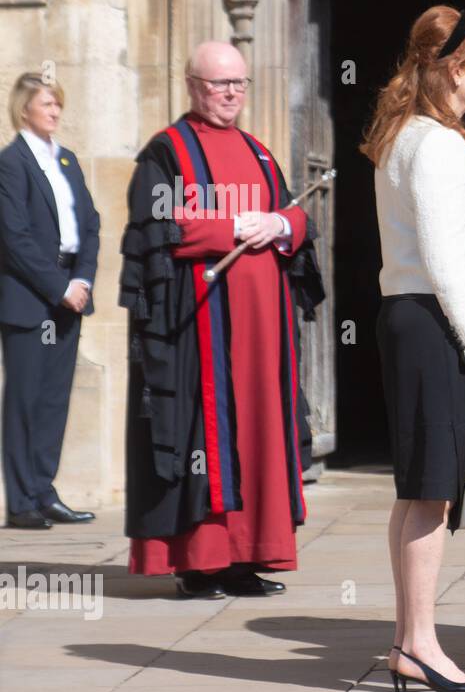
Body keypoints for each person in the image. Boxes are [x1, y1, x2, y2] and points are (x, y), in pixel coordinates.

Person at [120, 41, 325, 599]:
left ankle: (245, 559)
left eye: (239, 83)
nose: (231, 93)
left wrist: (281, 226)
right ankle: (200, 563)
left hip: (262, 336)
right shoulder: (167, 152)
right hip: (198, 331)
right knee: (201, 441)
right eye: (219, 84)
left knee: (258, 436)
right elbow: (156, 227)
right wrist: (236, 226)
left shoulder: (259, 152)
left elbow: (293, 214)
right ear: (193, 85)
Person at [363, 6, 465, 692]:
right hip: (436, 322)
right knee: (431, 496)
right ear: (454, 69)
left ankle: (407, 642)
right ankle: (419, 645)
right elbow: (450, 264)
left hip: (412, 318)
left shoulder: (407, 134)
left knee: (421, 492)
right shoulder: (438, 146)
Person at [0, 73, 100, 529]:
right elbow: (14, 238)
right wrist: (57, 287)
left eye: (58, 104)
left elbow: (91, 224)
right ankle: (21, 501)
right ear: (24, 110)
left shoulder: (67, 160)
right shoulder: (11, 163)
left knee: (55, 398)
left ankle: (44, 490)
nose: (56, 112)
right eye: (47, 104)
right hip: (29, 297)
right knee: (25, 398)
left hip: (69, 292)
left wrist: (81, 279)